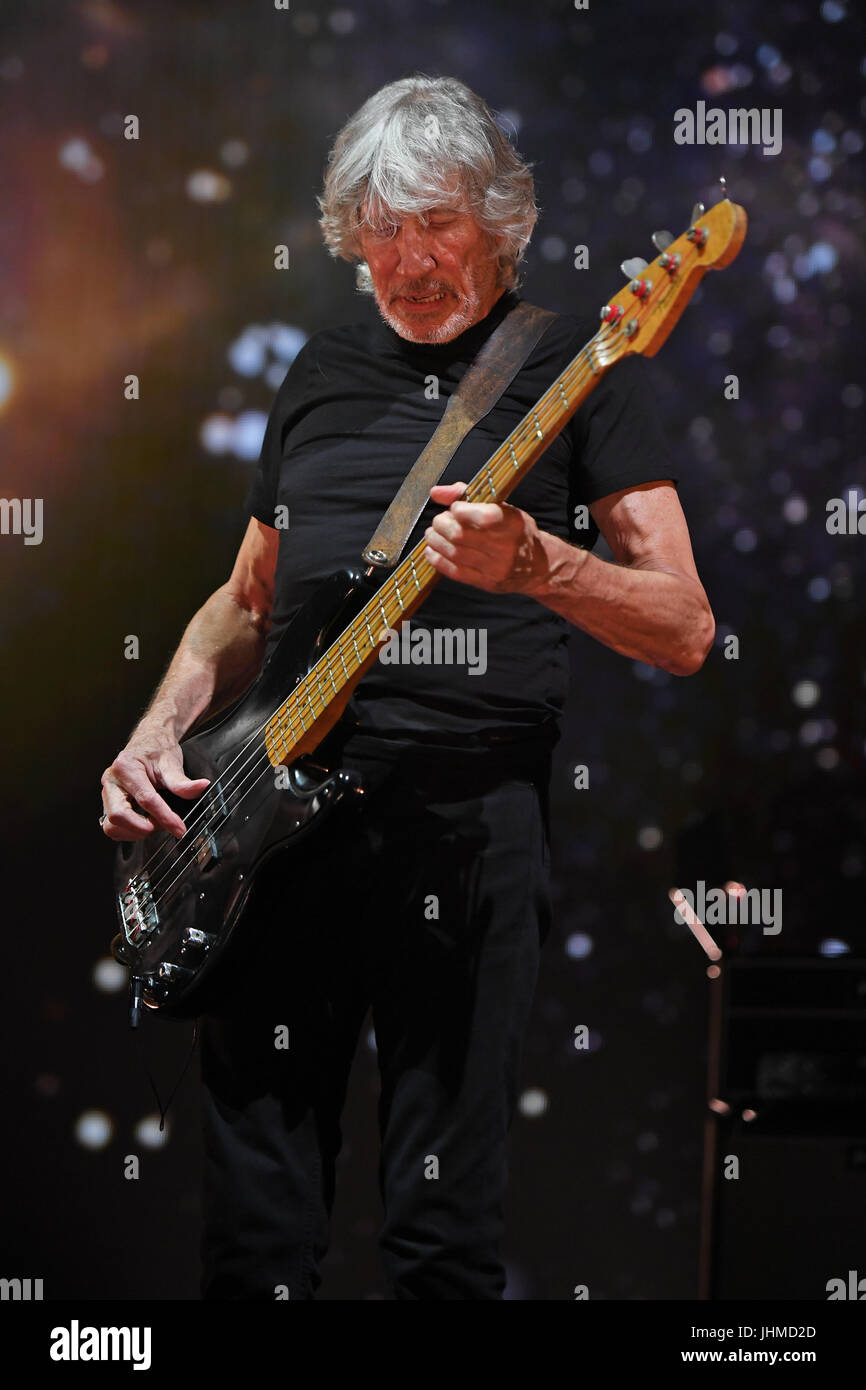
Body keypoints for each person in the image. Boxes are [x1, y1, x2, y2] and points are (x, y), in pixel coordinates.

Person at [99, 75, 714, 1300]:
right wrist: (158, 727)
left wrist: (535, 563)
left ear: (497, 222)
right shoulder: (319, 370)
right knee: (256, 1234)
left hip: (463, 833)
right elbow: (245, 600)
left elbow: (685, 627)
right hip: (265, 835)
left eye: (433, 223)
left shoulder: (582, 374)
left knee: (439, 1237)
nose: (407, 257)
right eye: (377, 229)